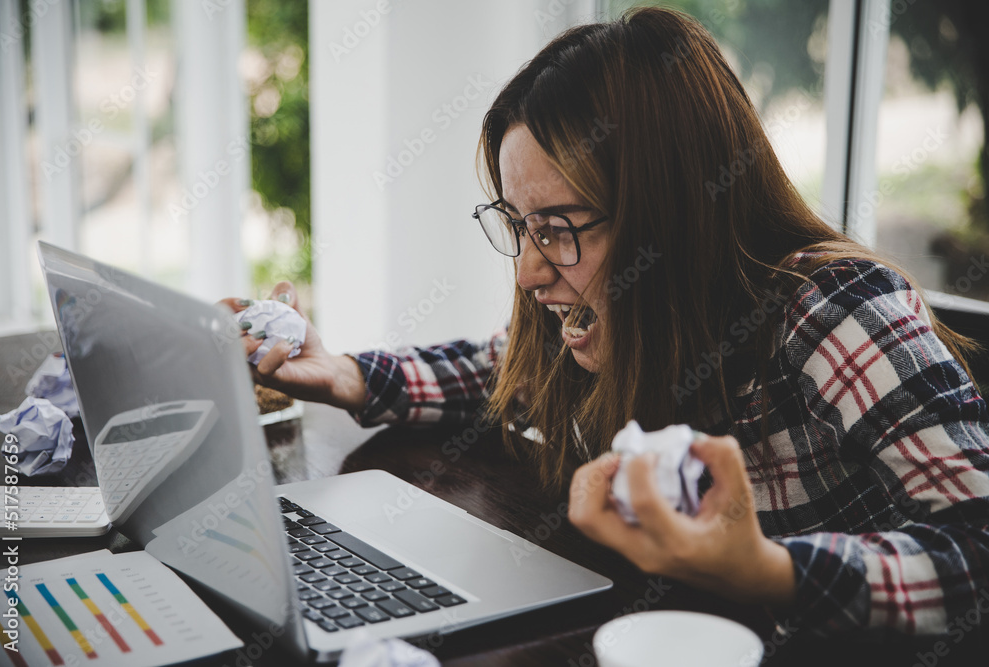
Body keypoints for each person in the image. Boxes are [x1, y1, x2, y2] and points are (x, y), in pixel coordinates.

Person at [222, 7, 989, 638]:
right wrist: (345, 373)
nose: (528, 271)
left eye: (558, 228)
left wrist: (765, 567)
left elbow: (976, 545)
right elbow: (496, 370)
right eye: (519, 225)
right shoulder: (612, 318)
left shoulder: (837, 307)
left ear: (672, 215)